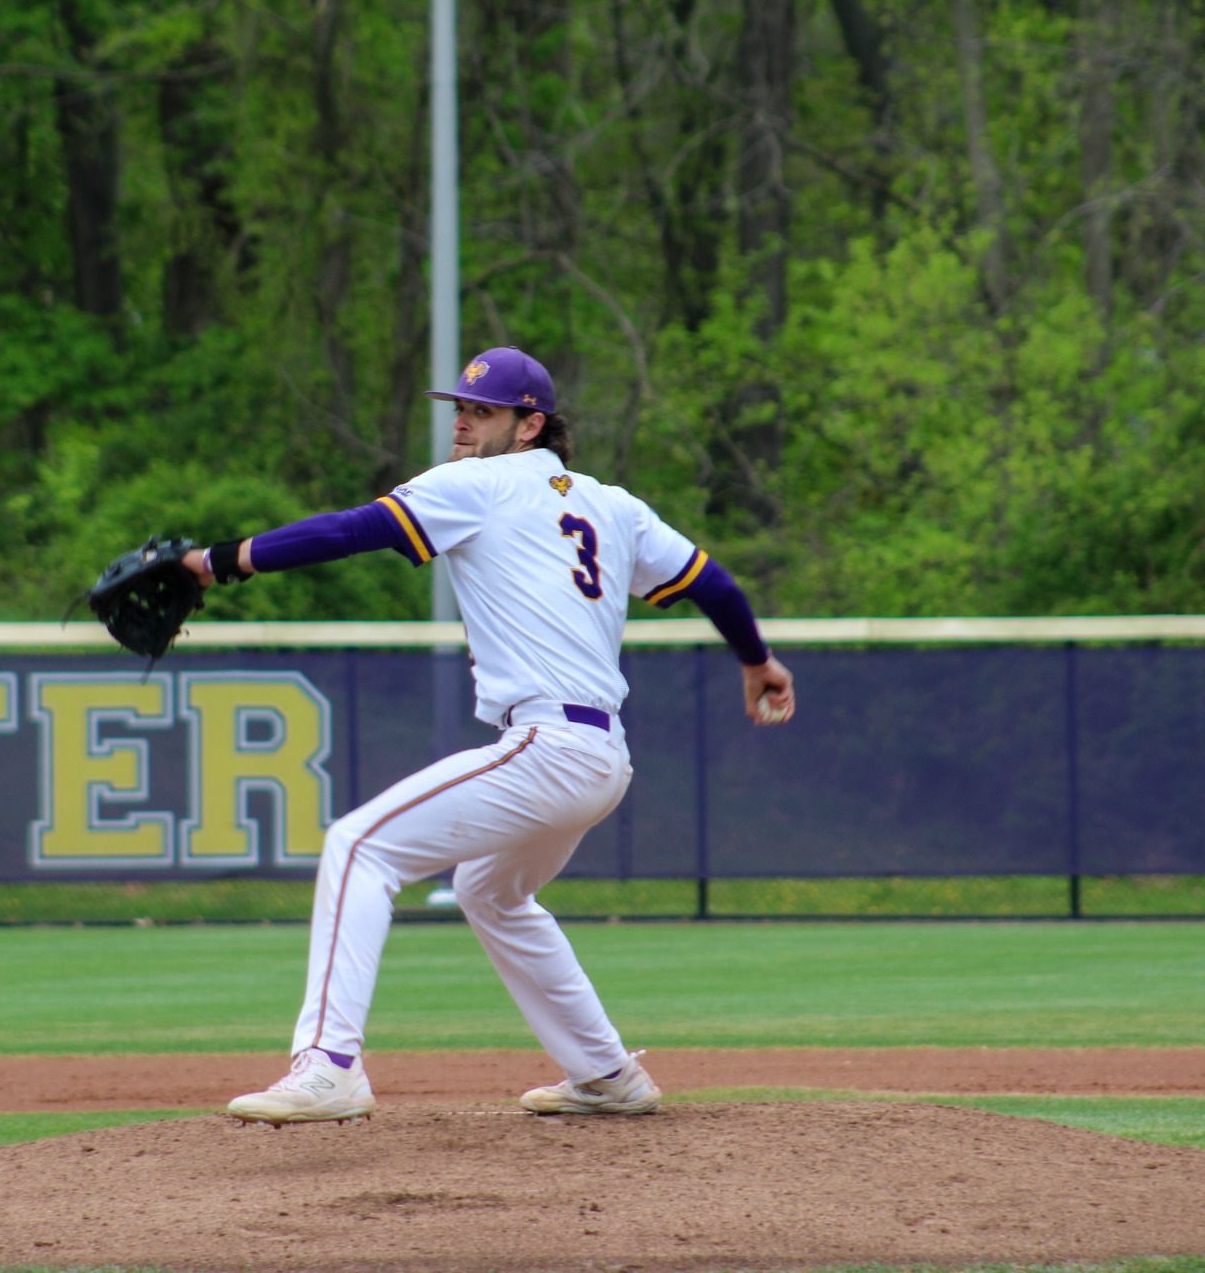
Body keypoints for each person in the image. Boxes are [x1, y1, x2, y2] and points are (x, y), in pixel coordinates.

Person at [181, 346, 795, 1125]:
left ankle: (329, 1064)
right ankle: (606, 1072)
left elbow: (349, 530)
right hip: (601, 756)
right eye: (460, 409)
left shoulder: (476, 484)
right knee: (490, 890)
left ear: (530, 424)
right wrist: (758, 660)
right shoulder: (613, 504)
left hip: (548, 745)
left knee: (359, 846)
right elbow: (713, 581)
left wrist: (218, 562)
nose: (463, 423)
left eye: (482, 411)